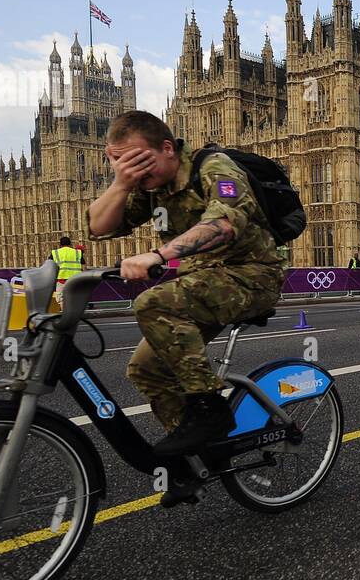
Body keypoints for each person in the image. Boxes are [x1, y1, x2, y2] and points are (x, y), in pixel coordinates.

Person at [87, 110, 286, 458]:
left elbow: (224, 222)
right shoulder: (151, 186)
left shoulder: (213, 167)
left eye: (140, 161)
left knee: (153, 302)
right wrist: (120, 183)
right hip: (202, 283)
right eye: (124, 163)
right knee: (145, 368)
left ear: (168, 148)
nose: (136, 171)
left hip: (251, 276)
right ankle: (197, 456)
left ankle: (209, 408)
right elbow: (99, 227)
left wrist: (158, 255)